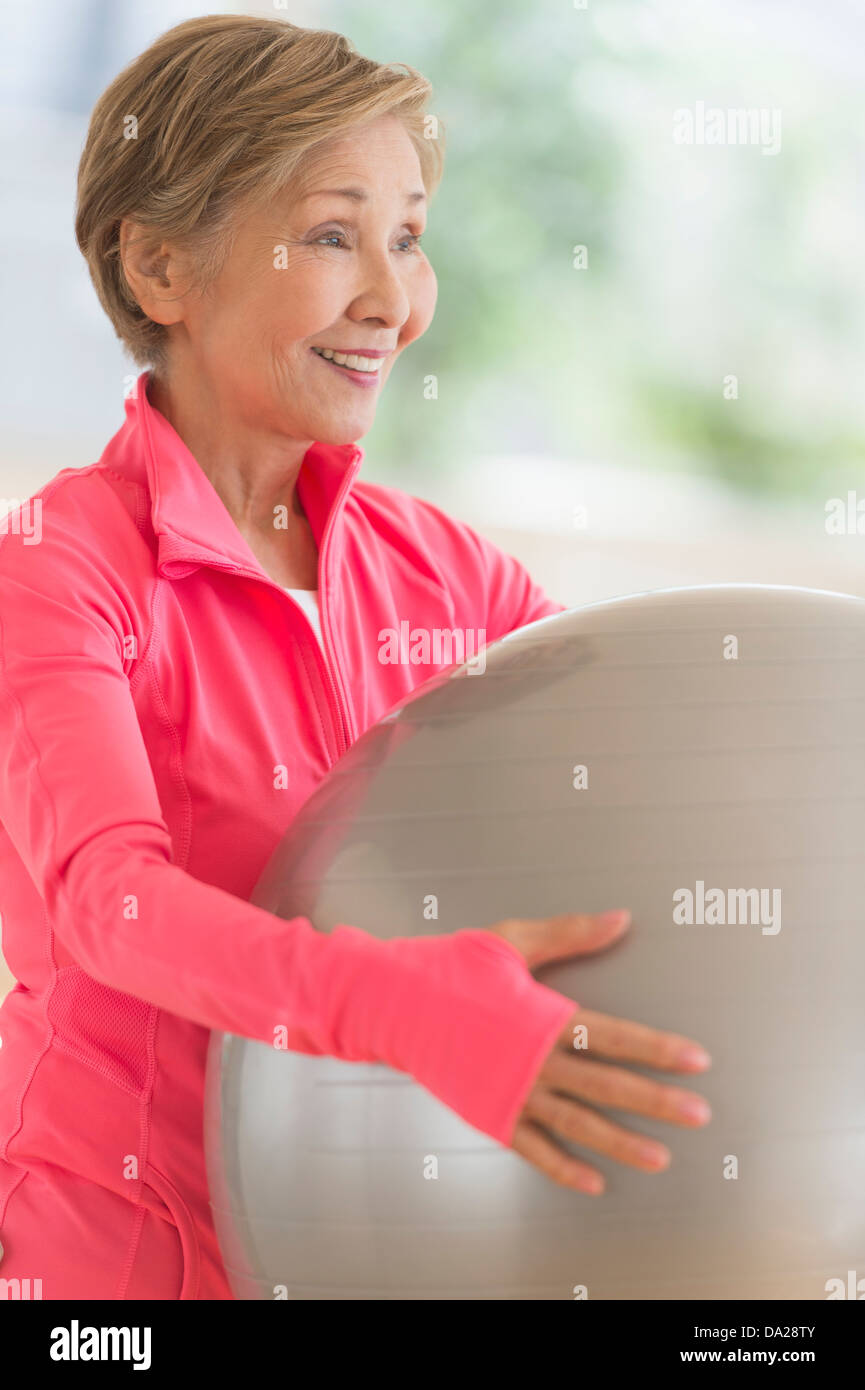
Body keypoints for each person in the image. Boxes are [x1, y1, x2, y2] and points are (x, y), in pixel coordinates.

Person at [0, 15, 710, 1300]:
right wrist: (402, 1005)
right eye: (333, 236)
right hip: (116, 1272)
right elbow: (111, 905)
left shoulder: (453, 576)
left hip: (375, 1259)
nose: (393, 299)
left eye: (409, 235)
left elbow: (650, 790)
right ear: (160, 267)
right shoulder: (59, 568)